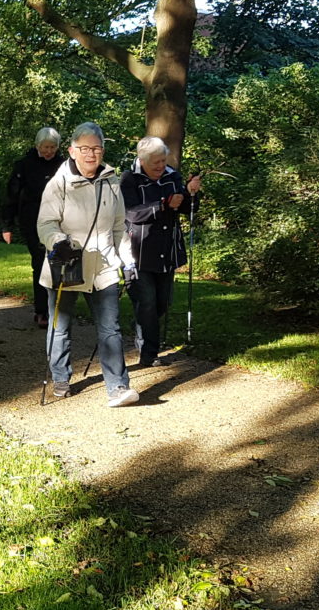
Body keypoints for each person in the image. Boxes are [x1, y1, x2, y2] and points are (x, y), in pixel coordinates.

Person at [38, 121, 140, 407]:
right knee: (61, 327)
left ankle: (118, 387)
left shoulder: (112, 182)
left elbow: (119, 225)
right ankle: (60, 377)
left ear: (102, 150)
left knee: (111, 328)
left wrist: (126, 257)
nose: (91, 154)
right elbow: (45, 223)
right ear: (72, 151)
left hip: (104, 266)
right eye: (84, 148)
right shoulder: (58, 184)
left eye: (96, 148)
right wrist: (58, 241)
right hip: (67, 261)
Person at [121, 137, 202, 368]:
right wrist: (164, 204)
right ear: (142, 160)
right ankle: (149, 352)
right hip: (138, 250)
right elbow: (131, 213)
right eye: (155, 162)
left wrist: (190, 192)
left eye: (163, 161)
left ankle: (142, 329)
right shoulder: (129, 179)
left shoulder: (172, 175)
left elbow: (187, 208)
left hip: (167, 249)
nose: (160, 166)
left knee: (162, 303)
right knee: (146, 301)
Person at [2, 127, 64, 329]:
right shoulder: (24, 165)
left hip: (59, 220)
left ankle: (57, 307)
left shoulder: (64, 165)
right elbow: (11, 196)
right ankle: (41, 310)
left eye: (53, 147)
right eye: (46, 147)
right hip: (32, 221)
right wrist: (7, 226)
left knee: (58, 262)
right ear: (38, 146)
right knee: (39, 262)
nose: (49, 151)